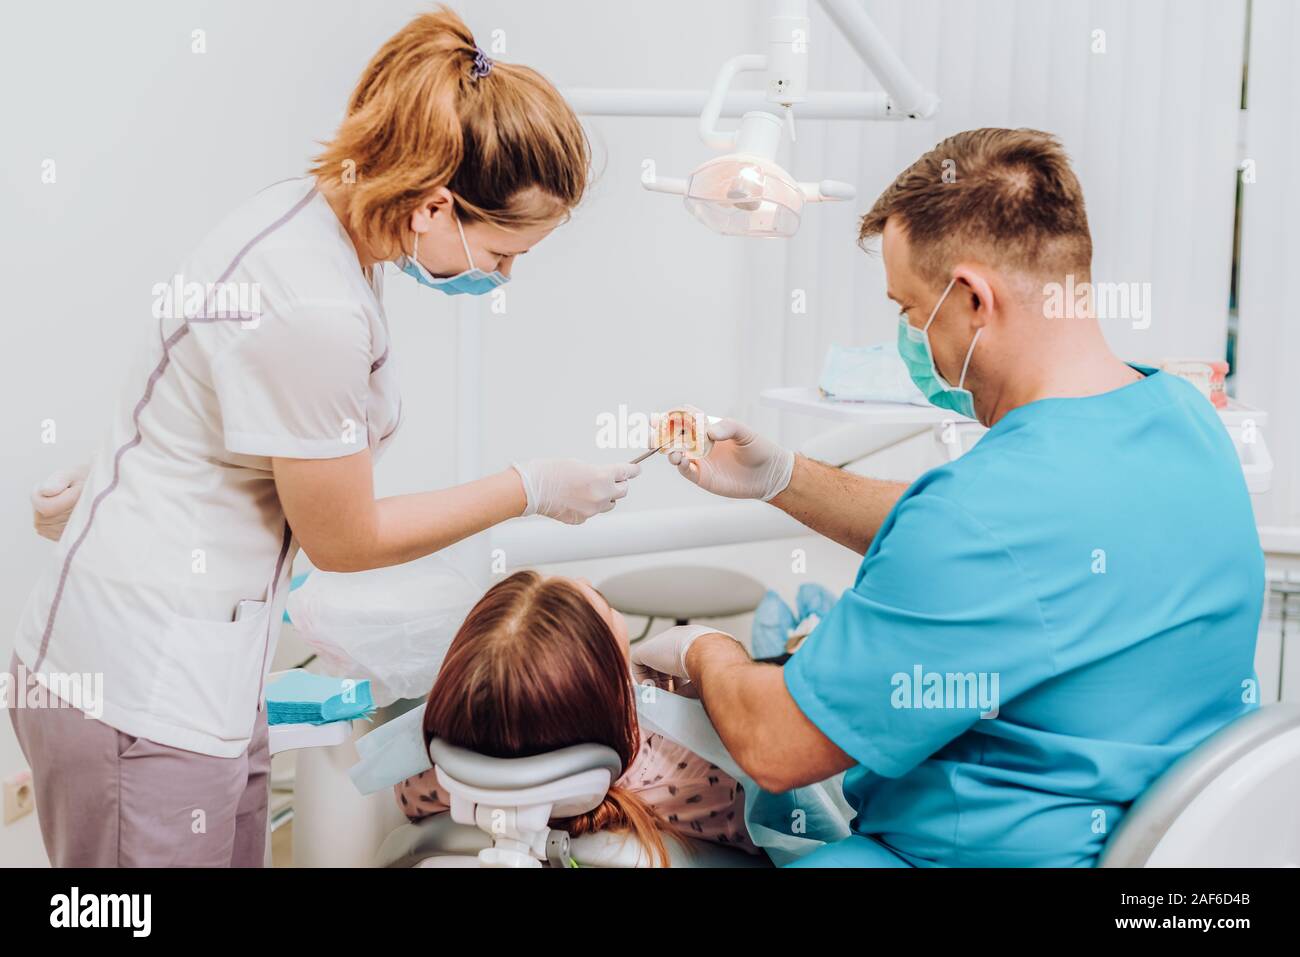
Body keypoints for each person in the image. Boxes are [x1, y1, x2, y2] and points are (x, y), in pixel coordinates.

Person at [11, 7, 639, 867]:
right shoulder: (313, 302)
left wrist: (140, 458)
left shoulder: (321, 229)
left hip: (212, 664)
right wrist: (530, 487)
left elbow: (211, 385)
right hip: (141, 685)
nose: (503, 275)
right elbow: (343, 537)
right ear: (435, 208)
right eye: (504, 251)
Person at [632, 128, 1265, 867]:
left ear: (972, 298)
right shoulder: (1183, 417)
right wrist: (783, 478)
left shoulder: (982, 515)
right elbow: (1008, 542)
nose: (908, 336)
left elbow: (775, 743)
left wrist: (705, 649)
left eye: (908, 309)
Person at [395, 571, 758, 865]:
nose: (583, 581)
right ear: (612, 690)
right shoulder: (705, 779)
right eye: (604, 613)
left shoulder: (434, 780)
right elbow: (795, 813)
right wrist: (712, 660)